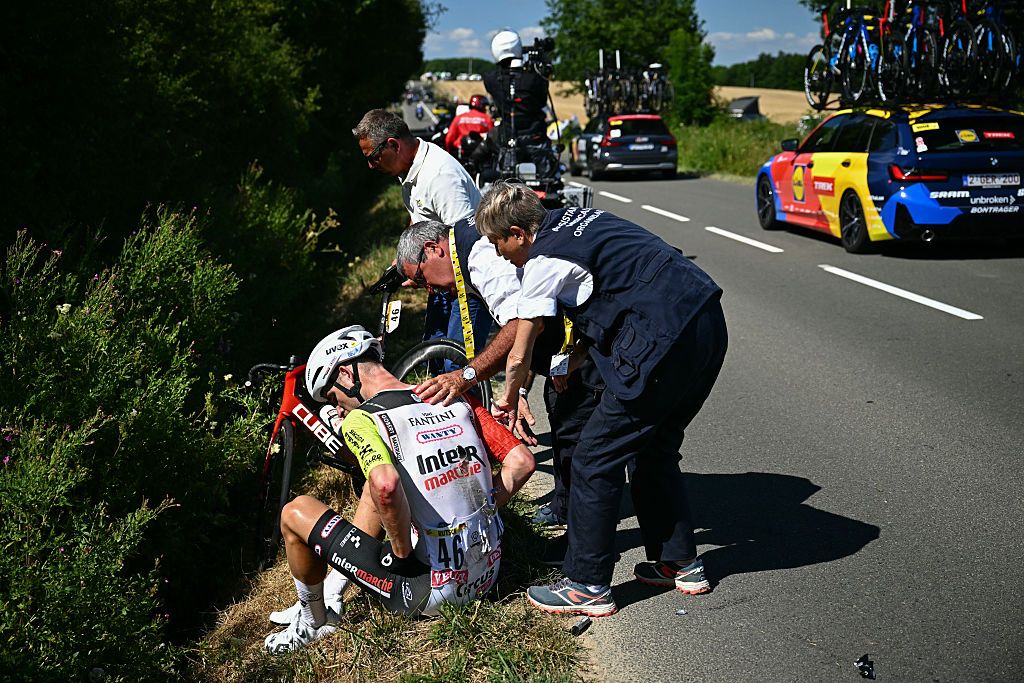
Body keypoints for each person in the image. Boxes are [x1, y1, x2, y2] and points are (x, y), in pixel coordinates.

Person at [476, 181, 729, 617]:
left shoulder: (541, 259)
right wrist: (571, 363)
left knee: (595, 457)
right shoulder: (583, 220)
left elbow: (519, 351)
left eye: (499, 243)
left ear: (518, 233)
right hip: (705, 320)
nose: (500, 254)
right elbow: (616, 293)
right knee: (655, 446)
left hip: (662, 339)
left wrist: (510, 396)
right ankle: (679, 561)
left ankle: (587, 584)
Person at [264, 325, 536, 654]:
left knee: (294, 512)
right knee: (373, 484)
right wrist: (482, 509)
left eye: (334, 398)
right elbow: (521, 462)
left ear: (347, 375)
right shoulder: (452, 393)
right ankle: (333, 592)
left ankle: (312, 621)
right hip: (488, 571)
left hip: (430, 591)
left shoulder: (363, 419)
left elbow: (387, 486)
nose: (338, 409)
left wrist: (402, 555)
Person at [352, 108, 486, 364]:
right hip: (443, 281)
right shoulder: (412, 171)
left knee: (456, 368)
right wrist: (405, 262)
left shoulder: (440, 177)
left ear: (393, 144)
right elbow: (420, 221)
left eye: (373, 157)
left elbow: (467, 241)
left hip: (466, 285)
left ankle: (475, 403)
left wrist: (423, 273)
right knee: (433, 359)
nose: (371, 166)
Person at [482, 30, 553, 176]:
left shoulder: (491, 79)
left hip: (507, 141)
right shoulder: (535, 77)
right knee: (551, 176)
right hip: (536, 139)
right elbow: (542, 100)